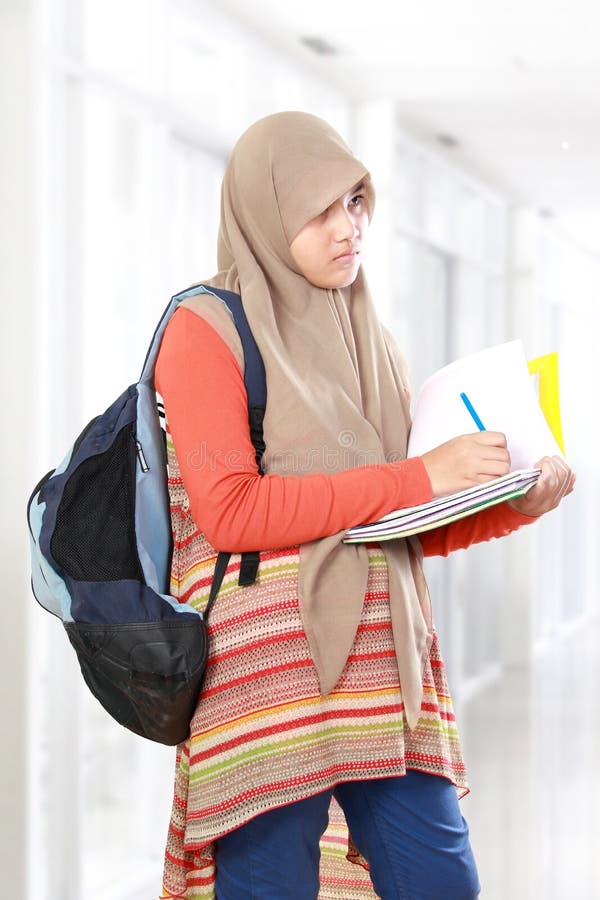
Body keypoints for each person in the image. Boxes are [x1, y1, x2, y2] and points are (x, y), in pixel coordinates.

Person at [156, 111, 574, 900]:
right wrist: (422, 476)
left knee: (441, 881)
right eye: (321, 208)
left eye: (355, 203)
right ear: (267, 211)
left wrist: (514, 500)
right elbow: (231, 513)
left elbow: (396, 529)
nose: (349, 227)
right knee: (271, 884)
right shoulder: (205, 328)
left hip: (387, 671)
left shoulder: (374, 340)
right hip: (268, 672)